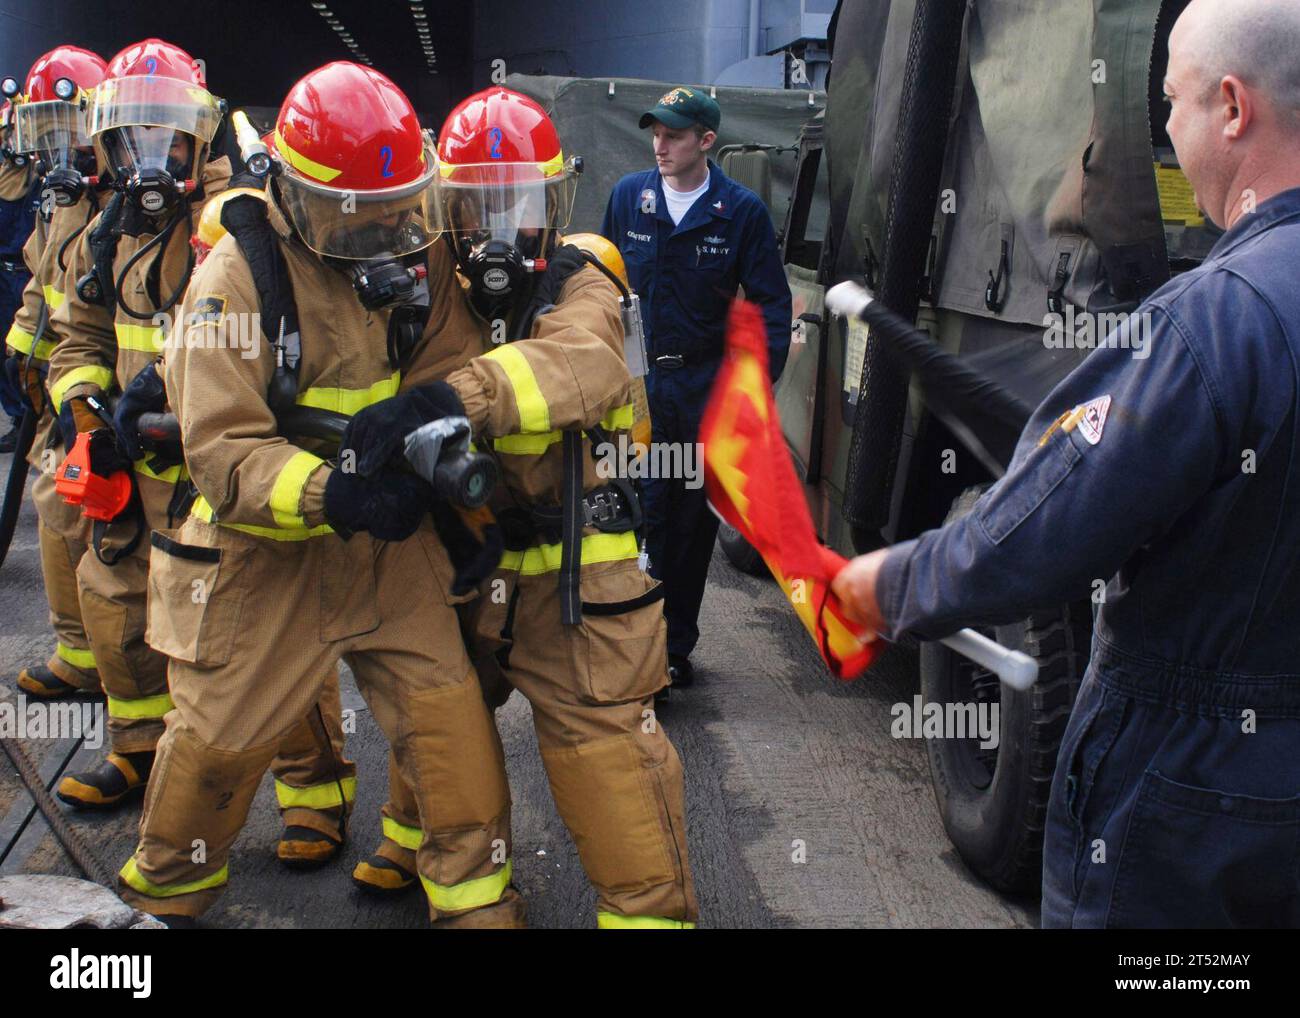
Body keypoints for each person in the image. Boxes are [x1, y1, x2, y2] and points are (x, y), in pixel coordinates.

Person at [830, 0, 1300, 928]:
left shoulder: (1211, 321)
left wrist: (892, 581)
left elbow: (1046, 528)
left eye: (1172, 101)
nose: (1165, 128)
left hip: (1186, 799)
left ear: (1234, 109)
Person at [116, 61, 521, 927]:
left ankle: (480, 908)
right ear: (294, 193)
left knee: (451, 739)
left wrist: (439, 446)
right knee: (213, 758)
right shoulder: (235, 274)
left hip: (390, 557)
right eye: (358, 216)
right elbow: (221, 449)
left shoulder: (419, 243)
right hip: (268, 560)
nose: (383, 234)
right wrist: (331, 496)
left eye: (395, 212)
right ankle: (158, 912)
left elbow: (450, 366)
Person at [350, 86, 698, 928]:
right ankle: (422, 848)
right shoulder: (419, 286)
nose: (502, 227)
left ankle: (648, 916)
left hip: (570, 571)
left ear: (555, 204)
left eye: (524, 203)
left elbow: (582, 371)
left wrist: (446, 402)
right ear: (448, 207)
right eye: (478, 204)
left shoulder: (582, 286)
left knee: (606, 756)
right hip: (458, 562)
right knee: (435, 718)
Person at [44, 39, 355, 871]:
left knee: (259, 642)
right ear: (108, 144)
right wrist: (85, 410)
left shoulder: (237, 225)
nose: (148, 157)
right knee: (113, 606)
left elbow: (254, 347)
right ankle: (139, 753)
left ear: (197, 142)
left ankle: (315, 797)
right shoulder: (107, 232)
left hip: (213, 471)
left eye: (166, 138)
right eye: (132, 138)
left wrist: (191, 423)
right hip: (126, 468)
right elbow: (76, 338)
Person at [600, 85, 791, 689]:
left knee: (686, 528)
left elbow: (769, 311)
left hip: (701, 391)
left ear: (707, 141)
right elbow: (599, 287)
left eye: (675, 135)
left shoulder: (739, 213)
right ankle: (617, 641)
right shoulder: (630, 199)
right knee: (625, 515)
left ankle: (673, 648)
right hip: (635, 387)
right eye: (655, 133)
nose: (660, 145)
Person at [4, 45, 108, 700]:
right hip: (62, 384)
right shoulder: (60, 198)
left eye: (68, 125)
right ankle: (79, 652)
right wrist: (21, 348)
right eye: (47, 128)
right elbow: (42, 281)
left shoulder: (127, 201)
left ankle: (121, 664)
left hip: (108, 388)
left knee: (96, 522)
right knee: (55, 509)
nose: (59, 143)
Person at [0, 95, 35, 452]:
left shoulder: (44, 179)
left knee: (29, 356)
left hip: (26, 276)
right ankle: (18, 418)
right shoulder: (6, 177)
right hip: (5, 274)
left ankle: (32, 417)